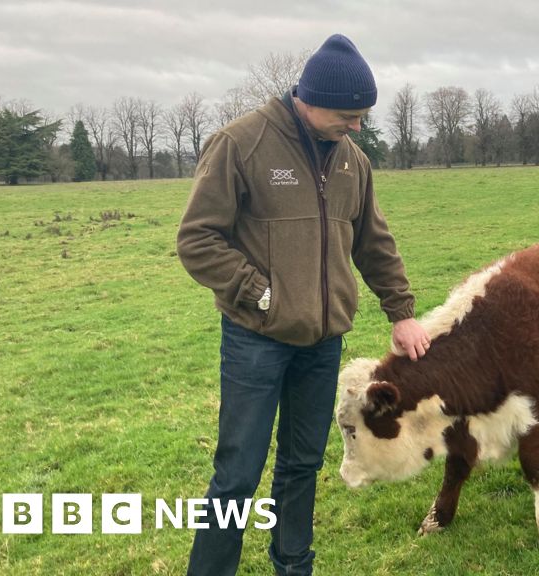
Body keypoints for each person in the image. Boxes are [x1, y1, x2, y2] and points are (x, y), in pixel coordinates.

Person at [176, 33, 429, 576]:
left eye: (363, 117)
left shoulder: (352, 162)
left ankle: (294, 565)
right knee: (238, 472)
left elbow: (373, 242)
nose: (357, 126)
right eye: (348, 115)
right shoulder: (241, 143)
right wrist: (260, 292)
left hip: (322, 344)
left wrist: (402, 312)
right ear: (309, 100)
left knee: (302, 465)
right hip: (255, 342)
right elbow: (197, 239)